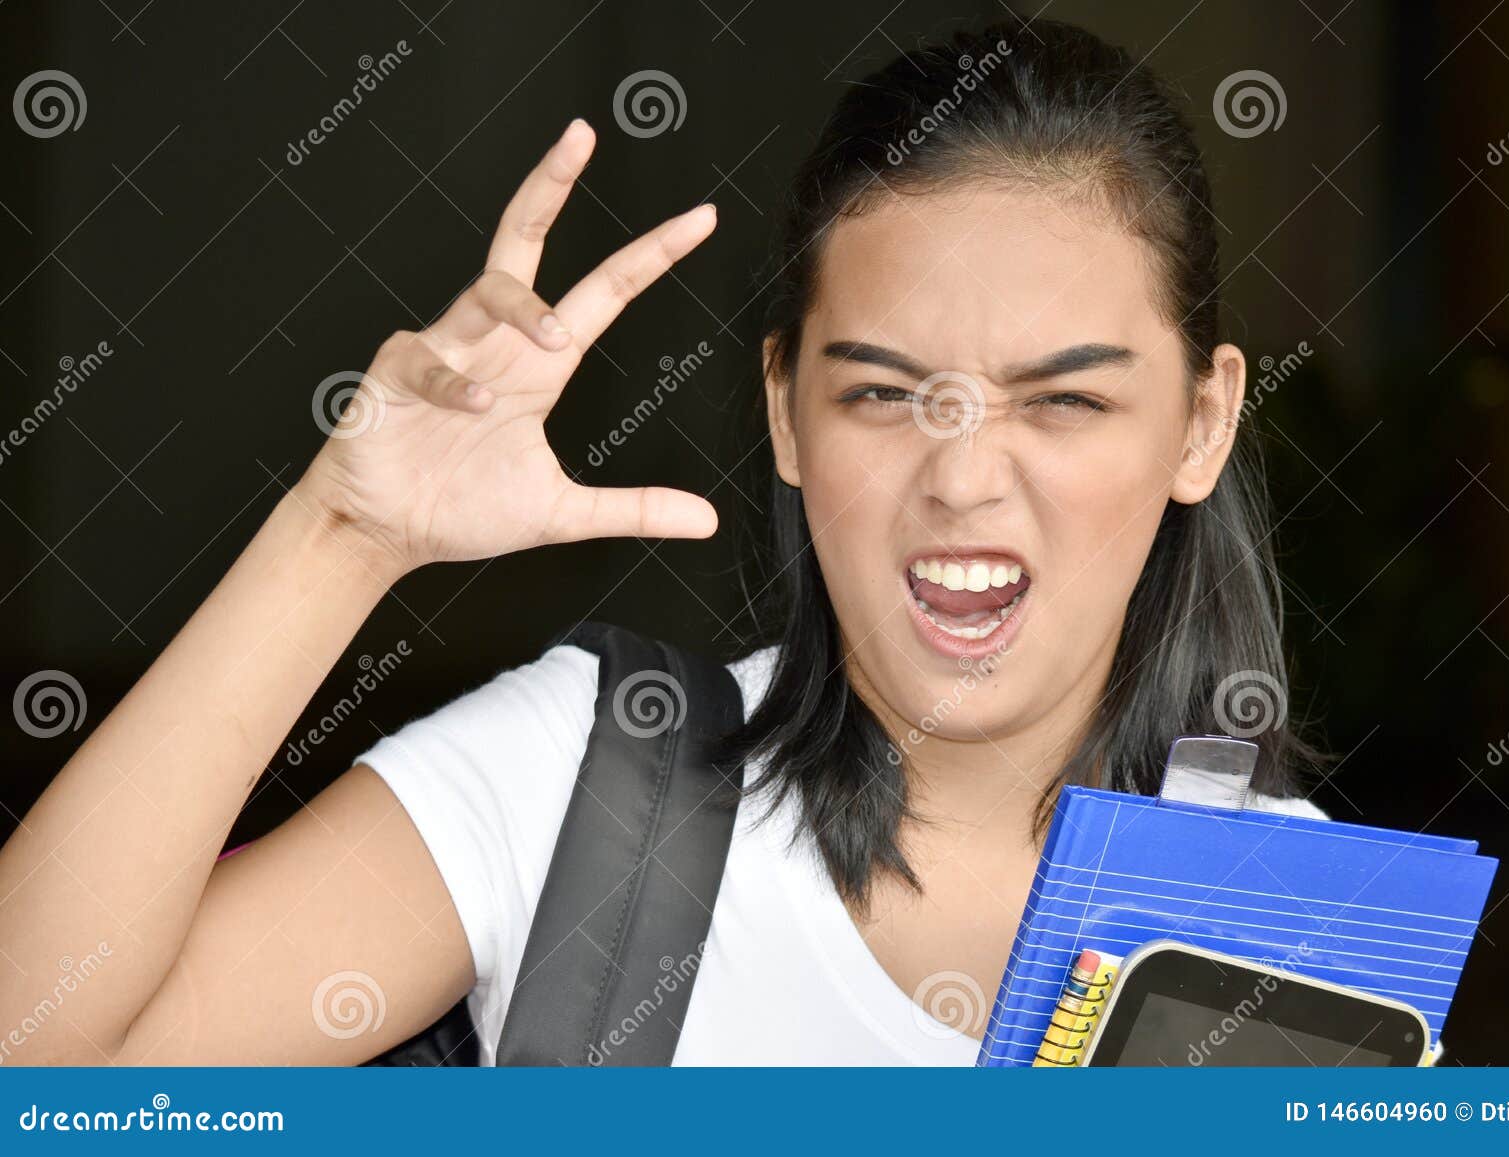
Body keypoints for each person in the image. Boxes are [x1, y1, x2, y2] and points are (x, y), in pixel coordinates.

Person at [0, 17, 1326, 1066]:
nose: (966, 480)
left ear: (1201, 424)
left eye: (1065, 398)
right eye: (878, 390)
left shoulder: (1305, 923)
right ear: (786, 414)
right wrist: (343, 532)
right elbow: (37, 1061)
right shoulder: (588, 785)